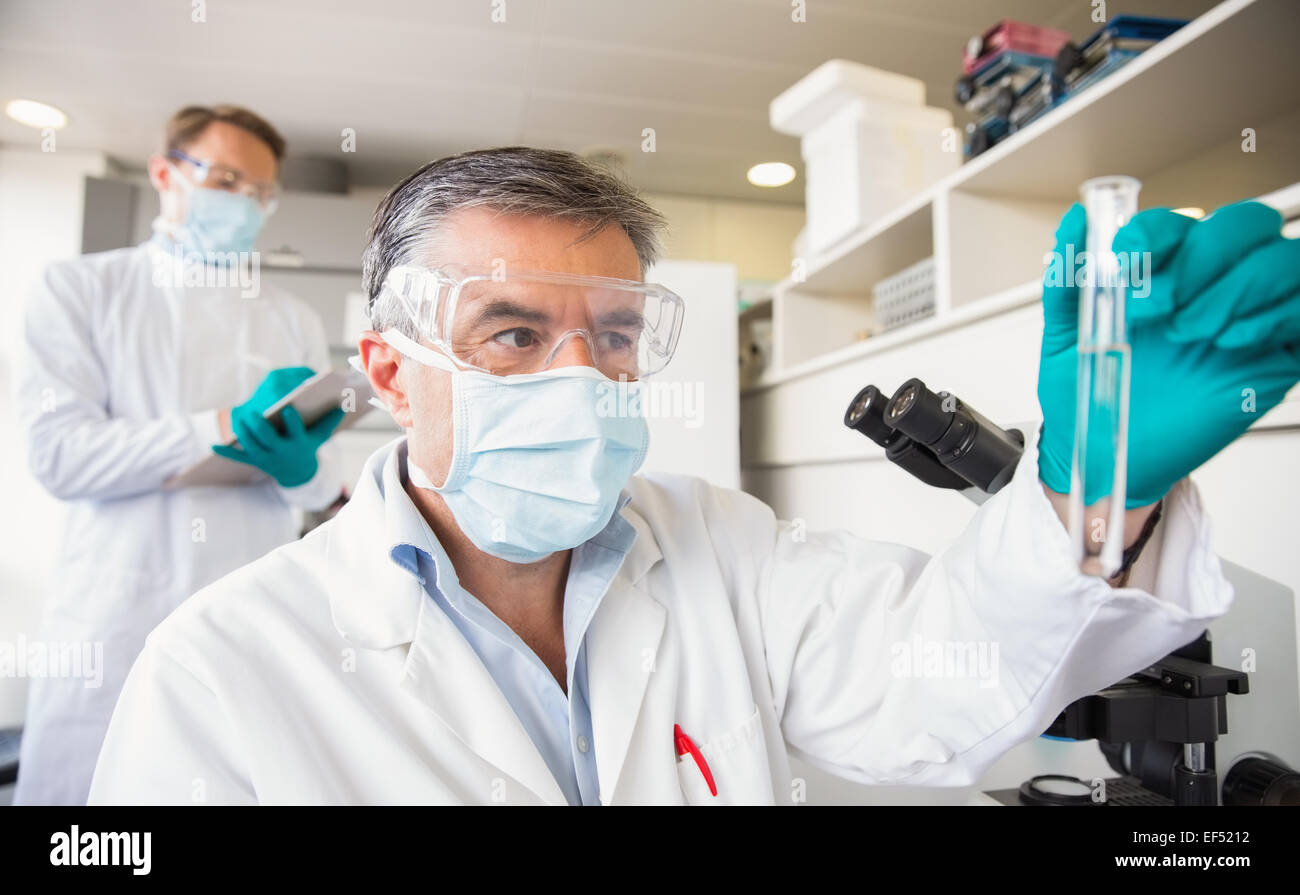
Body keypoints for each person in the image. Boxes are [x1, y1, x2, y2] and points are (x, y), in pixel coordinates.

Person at [89, 147, 1299, 805]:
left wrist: (1098, 482)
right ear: (390, 374)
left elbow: (939, 682)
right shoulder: (223, 664)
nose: (581, 379)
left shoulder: (717, 541)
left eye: (613, 336)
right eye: (512, 335)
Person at [14, 105, 346, 805]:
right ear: (166, 173)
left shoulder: (292, 318)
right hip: (113, 616)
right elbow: (61, 456)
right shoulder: (81, 289)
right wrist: (219, 425)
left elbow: (319, 488)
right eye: (226, 179)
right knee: (87, 820)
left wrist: (302, 467)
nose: (246, 204)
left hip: (250, 612)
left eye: (260, 193)